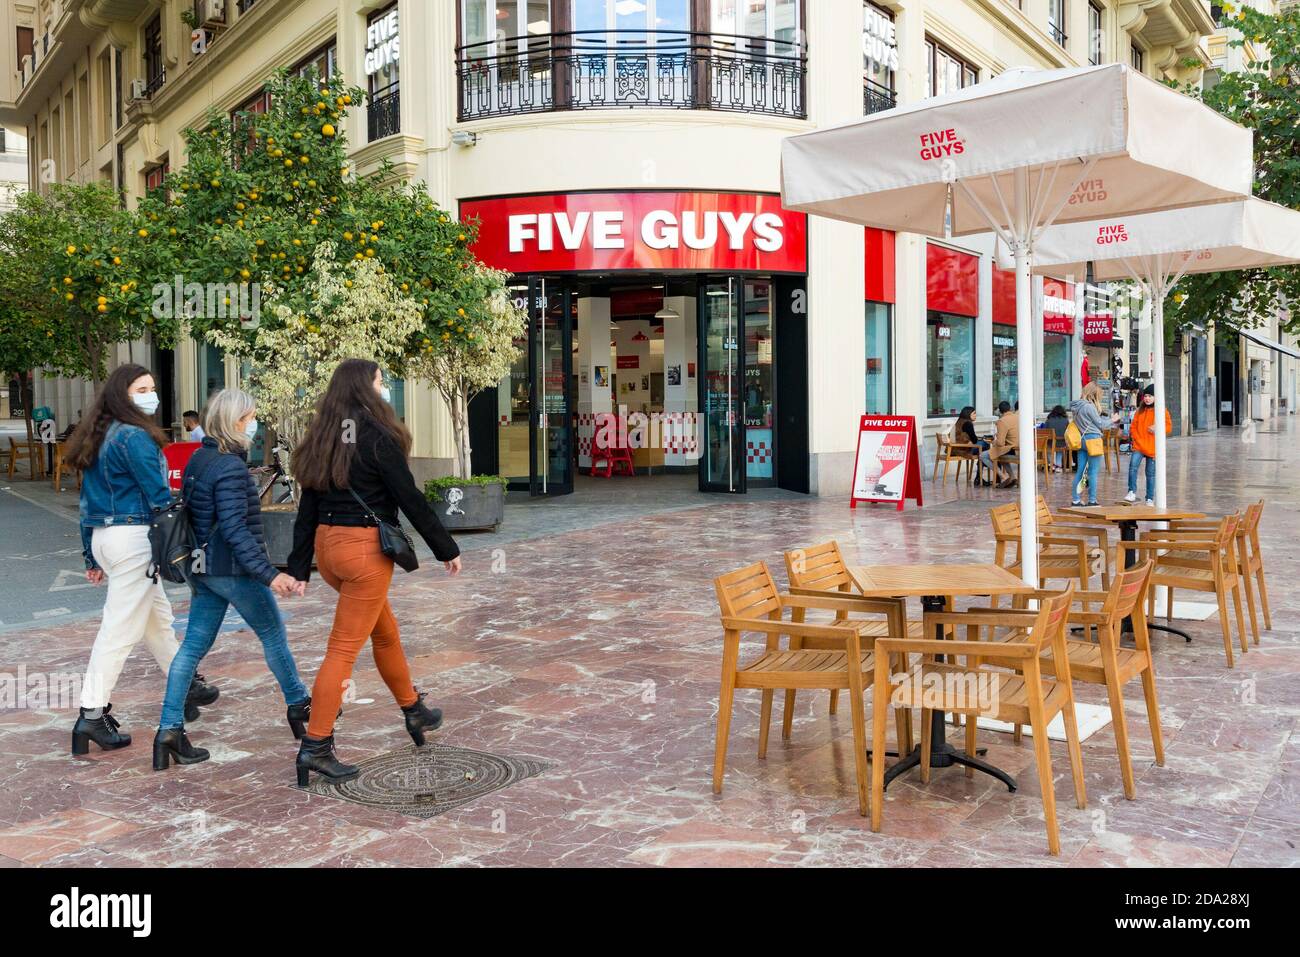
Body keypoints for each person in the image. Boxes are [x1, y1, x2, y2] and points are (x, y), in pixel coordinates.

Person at [288, 359, 462, 786]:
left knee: (384, 633)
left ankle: (414, 710)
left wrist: (300, 567)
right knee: (342, 651)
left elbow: (306, 508)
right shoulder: (379, 437)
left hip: (330, 553)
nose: (386, 389)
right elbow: (410, 498)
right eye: (383, 382)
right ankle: (316, 745)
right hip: (365, 553)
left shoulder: (323, 436)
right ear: (367, 390)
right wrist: (446, 548)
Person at [153, 389, 312, 771]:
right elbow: (236, 530)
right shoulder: (229, 468)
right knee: (273, 635)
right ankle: (299, 705)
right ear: (236, 422)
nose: (254, 425)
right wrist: (269, 575)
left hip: (204, 570)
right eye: (251, 417)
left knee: (190, 649)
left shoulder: (200, 459)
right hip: (233, 571)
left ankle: (169, 732)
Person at [65, 364, 218, 756]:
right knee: (118, 631)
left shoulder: (98, 434)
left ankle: (185, 685)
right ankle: (91, 714)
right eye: (142, 389)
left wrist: (90, 553)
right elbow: (160, 497)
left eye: (152, 386)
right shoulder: (133, 437)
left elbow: (86, 503)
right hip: (133, 538)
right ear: (122, 394)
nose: (151, 394)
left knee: (157, 618)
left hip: (106, 537)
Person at [1069, 381, 1120, 507]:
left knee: (1080, 471)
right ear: (1094, 394)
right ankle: (1092, 500)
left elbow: (1091, 422)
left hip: (1082, 440)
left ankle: (1076, 499)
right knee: (1093, 472)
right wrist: (1112, 420)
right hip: (1093, 440)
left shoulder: (1077, 406)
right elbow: (1101, 425)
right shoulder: (1089, 407)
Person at [1125, 383, 1171, 506]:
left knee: (1150, 474)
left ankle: (1149, 498)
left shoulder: (1162, 411)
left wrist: (1158, 427)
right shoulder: (1139, 411)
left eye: (1150, 396)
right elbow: (1133, 427)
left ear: (1156, 397)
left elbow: (1168, 426)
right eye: (1145, 396)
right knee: (1132, 467)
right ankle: (1131, 492)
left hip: (1153, 447)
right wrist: (1135, 438)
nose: (1147, 398)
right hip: (1139, 445)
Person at [980, 401, 1019, 488]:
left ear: (1000, 411)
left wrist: (993, 442)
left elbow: (1000, 443)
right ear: (1010, 408)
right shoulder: (1018, 418)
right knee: (999, 454)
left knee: (983, 456)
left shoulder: (1002, 421)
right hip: (1021, 449)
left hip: (1012, 449)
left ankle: (1004, 477)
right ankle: (1012, 477)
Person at [1044, 404, 1070, 472]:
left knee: (1048, 448)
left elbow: (1045, 430)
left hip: (1051, 442)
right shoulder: (1066, 420)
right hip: (1062, 442)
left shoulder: (1049, 420)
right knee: (1060, 449)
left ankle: (1051, 464)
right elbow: (1068, 431)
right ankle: (1058, 466)